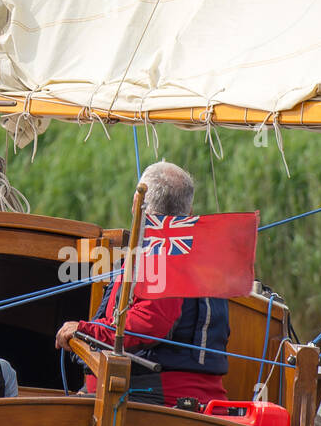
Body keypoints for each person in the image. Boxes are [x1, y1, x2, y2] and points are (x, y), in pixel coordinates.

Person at [55, 161, 229, 408]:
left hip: (157, 400)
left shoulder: (161, 251)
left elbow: (149, 322)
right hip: (186, 396)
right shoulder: (199, 254)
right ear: (189, 211)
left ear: (137, 203)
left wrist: (85, 330)